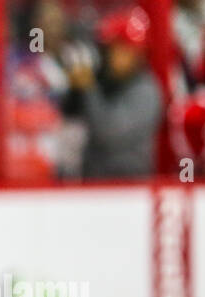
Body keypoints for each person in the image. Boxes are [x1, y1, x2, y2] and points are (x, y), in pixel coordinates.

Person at [61, 6, 163, 180]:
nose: (109, 56)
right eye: (108, 50)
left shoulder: (146, 90)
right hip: (93, 185)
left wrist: (88, 87)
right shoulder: (105, 81)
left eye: (118, 49)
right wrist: (76, 87)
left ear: (137, 53)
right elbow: (68, 113)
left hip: (128, 188)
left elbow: (108, 133)